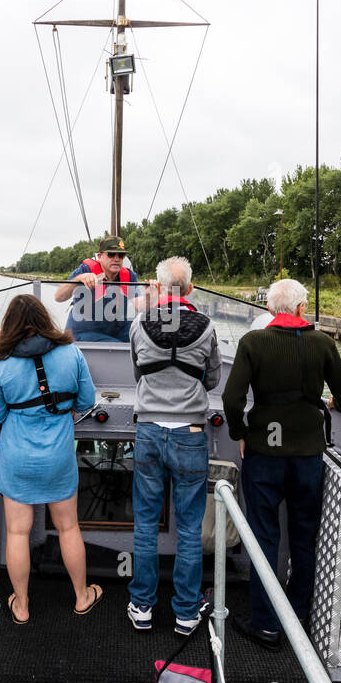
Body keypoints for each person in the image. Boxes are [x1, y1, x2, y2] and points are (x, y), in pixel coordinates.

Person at [221, 278, 341, 651]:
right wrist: (330, 404)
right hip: (307, 457)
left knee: (264, 538)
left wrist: (241, 433)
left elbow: (232, 399)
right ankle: (298, 621)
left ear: (269, 309)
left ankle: (265, 625)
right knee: (304, 539)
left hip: (264, 455)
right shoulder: (322, 343)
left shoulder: (253, 342)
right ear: (300, 309)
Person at [0, 294, 101, 622]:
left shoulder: (0, 363)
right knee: (68, 527)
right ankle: (81, 596)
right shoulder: (71, 353)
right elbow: (86, 400)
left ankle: (21, 605)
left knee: (17, 532)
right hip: (59, 457)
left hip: (17, 459)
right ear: (45, 319)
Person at [127, 257, 222, 636]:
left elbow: (137, 372)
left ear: (160, 288)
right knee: (188, 526)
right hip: (190, 434)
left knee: (146, 523)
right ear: (190, 289)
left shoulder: (139, 323)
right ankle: (185, 612)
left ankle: (142, 607)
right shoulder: (208, 326)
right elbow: (212, 378)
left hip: (149, 430)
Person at [53, 235, 151, 342]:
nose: (117, 259)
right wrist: (80, 278)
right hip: (84, 331)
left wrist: (150, 295)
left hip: (115, 329)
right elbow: (59, 297)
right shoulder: (85, 269)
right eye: (111, 254)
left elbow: (140, 306)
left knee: (145, 337)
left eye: (121, 255)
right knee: (117, 345)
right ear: (100, 256)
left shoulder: (129, 276)